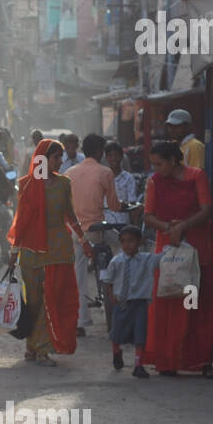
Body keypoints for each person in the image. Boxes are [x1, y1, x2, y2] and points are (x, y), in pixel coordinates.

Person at [141, 140, 213, 380]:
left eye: (160, 164)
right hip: (169, 248)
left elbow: (207, 209)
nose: (157, 168)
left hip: (198, 248)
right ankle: (169, 359)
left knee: (198, 301)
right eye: (154, 164)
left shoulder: (196, 176)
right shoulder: (155, 181)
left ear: (172, 160)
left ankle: (203, 360)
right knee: (171, 298)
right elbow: (148, 216)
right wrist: (169, 227)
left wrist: (184, 226)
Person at [7, 138, 90, 367]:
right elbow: (21, 221)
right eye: (56, 157)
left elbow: (70, 215)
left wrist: (83, 239)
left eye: (61, 157)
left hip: (58, 250)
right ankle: (32, 347)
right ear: (44, 159)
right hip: (32, 252)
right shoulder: (26, 185)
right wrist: (14, 251)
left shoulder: (64, 183)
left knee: (51, 299)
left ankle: (42, 348)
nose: (61, 161)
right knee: (33, 302)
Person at [66, 134, 120, 334]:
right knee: (123, 246)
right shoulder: (105, 172)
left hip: (76, 232)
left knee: (78, 273)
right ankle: (122, 291)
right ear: (99, 152)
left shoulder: (70, 172)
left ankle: (81, 321)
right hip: (98, 232)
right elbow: (114, 205)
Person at [102, 224, 159, 378]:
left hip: (140, 302)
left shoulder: (147, 259)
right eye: (124, 241)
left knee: (140, 334)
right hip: (122, 302)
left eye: (131, 241)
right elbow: (108, 280)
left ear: (140, 242)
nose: (127, 245)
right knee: (117, 332)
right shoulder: (116, 261)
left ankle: (138, 365)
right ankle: (116, 352)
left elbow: (162, 257)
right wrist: (111, 295)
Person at [105, 140, 140, 208]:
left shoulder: (128, 178)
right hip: (106, 217)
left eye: (116, 155)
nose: (113, 158)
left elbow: (132, 202)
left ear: (121, 156)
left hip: (123, 216)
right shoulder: (102, 177)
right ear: (106, 158)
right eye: (110, 155)